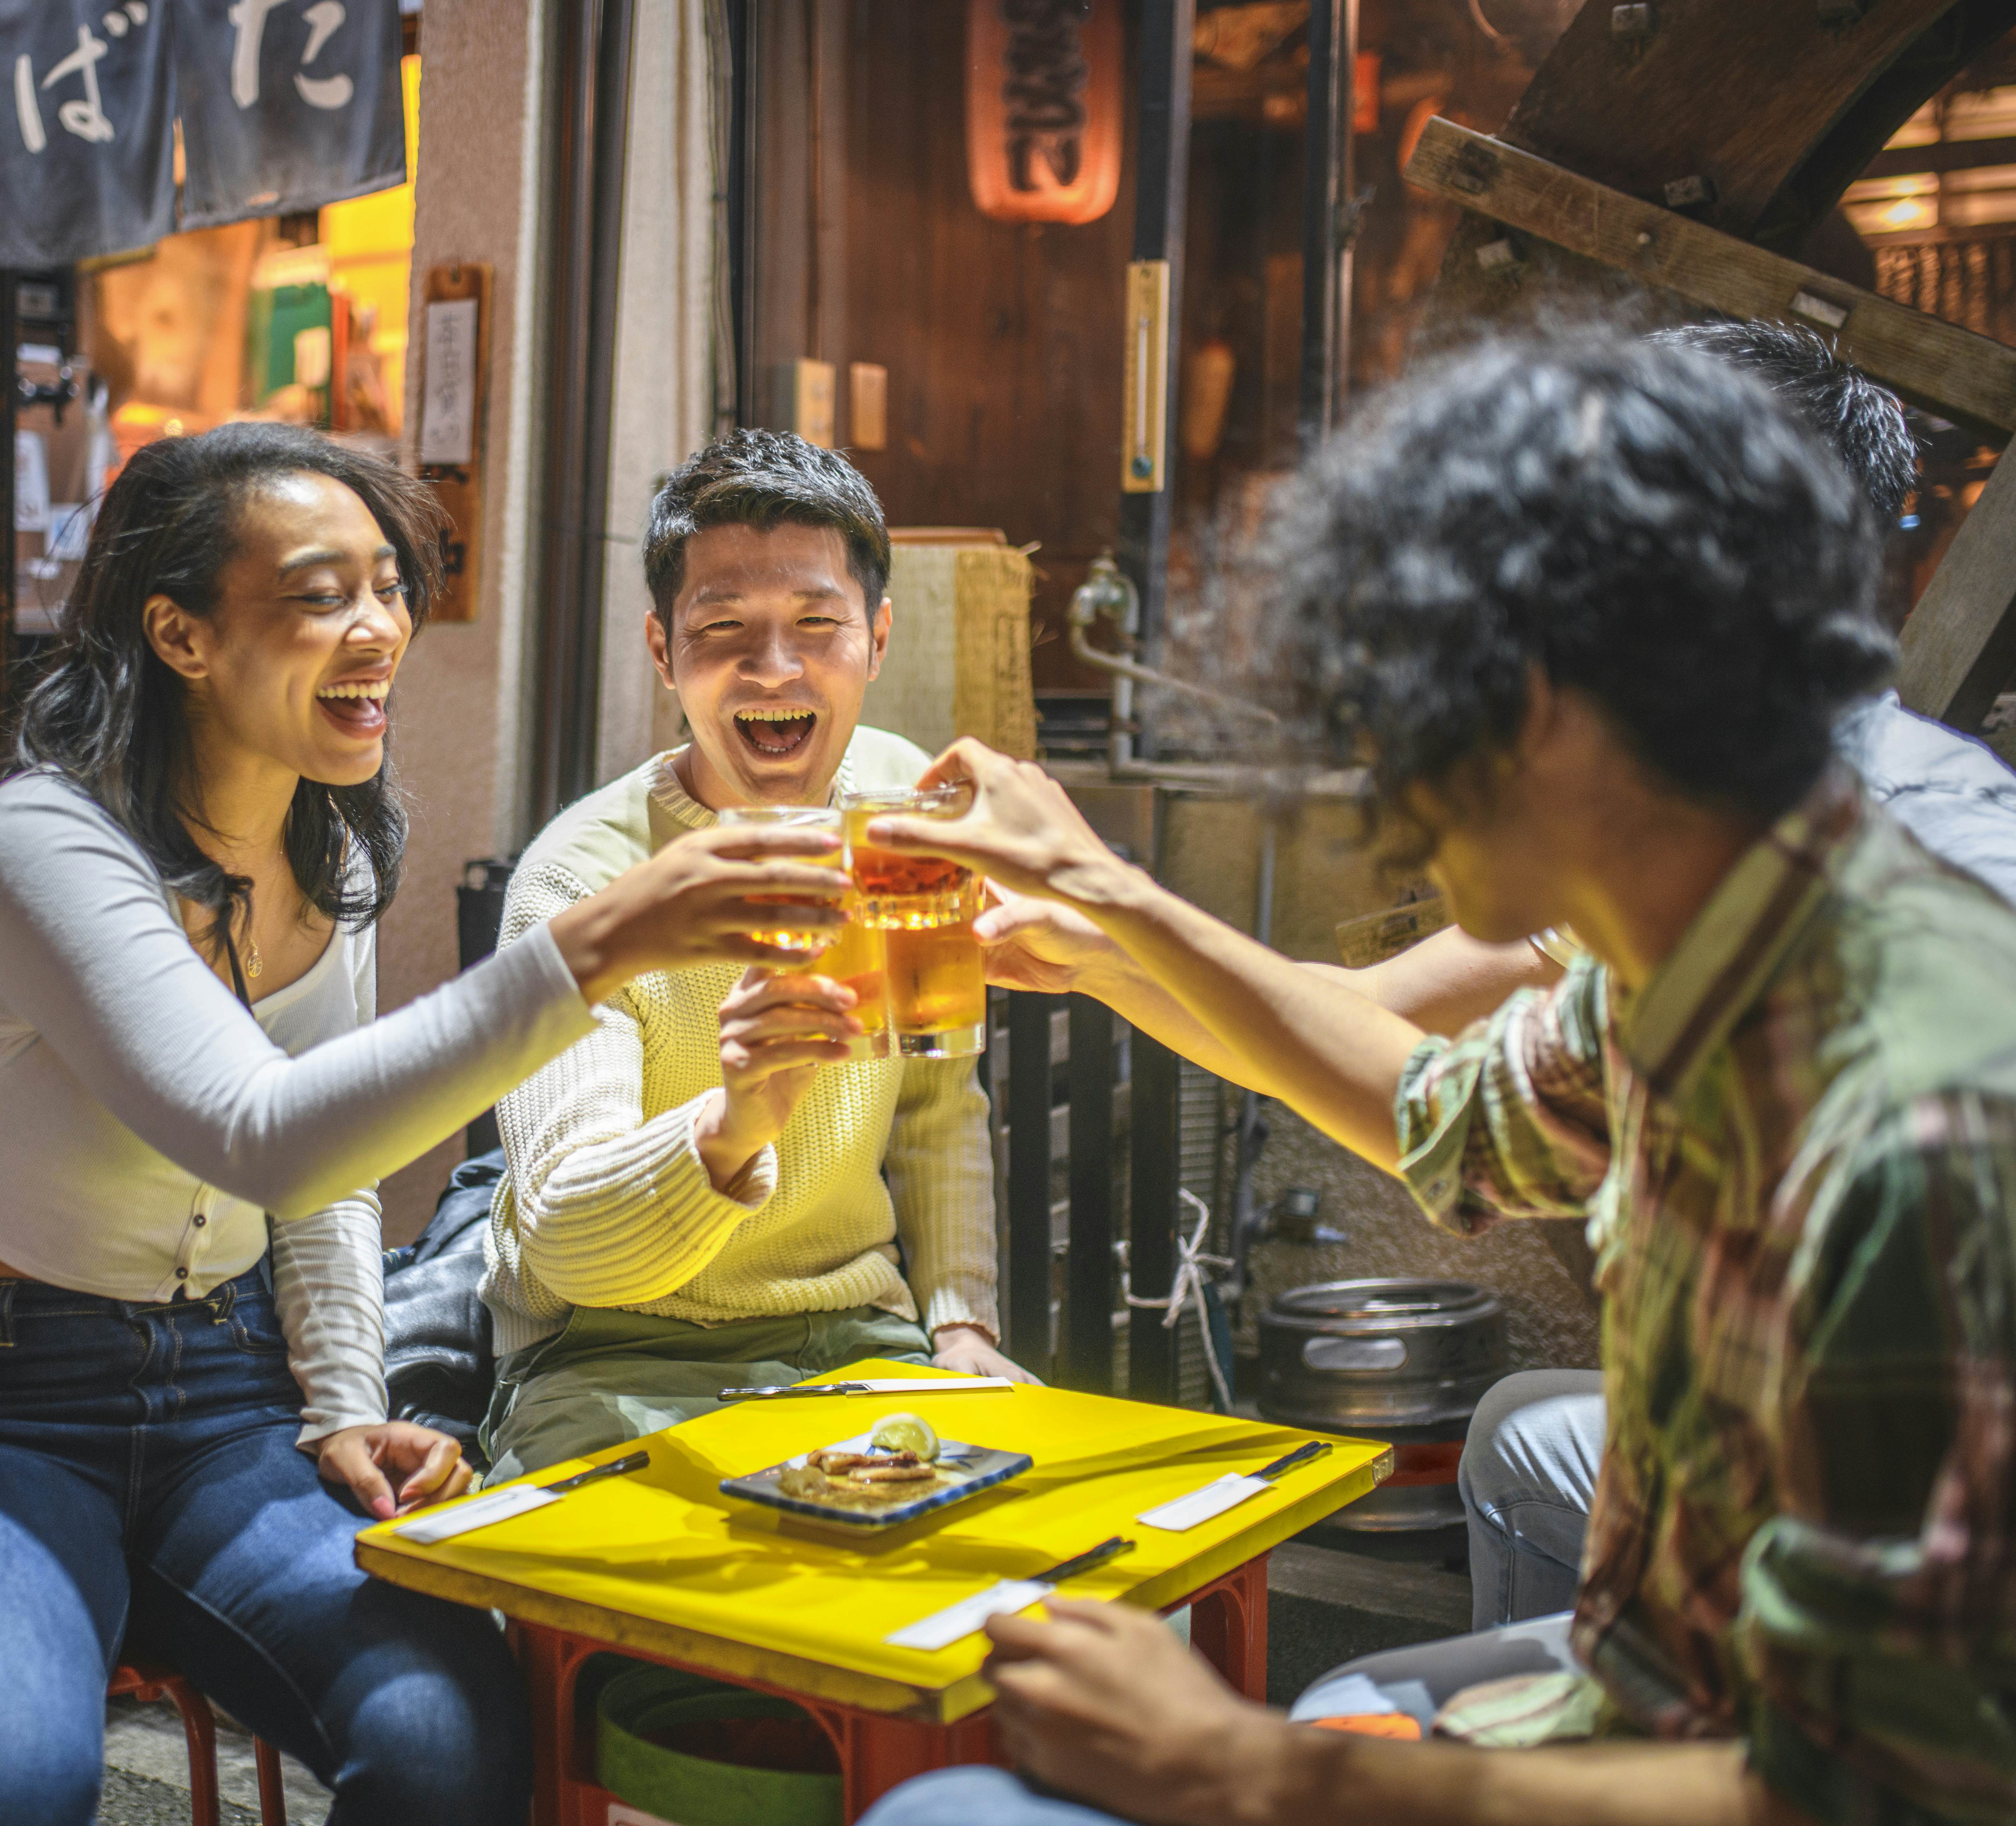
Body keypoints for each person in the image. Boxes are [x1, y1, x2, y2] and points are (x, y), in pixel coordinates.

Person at [860, 337, 2016, 1825]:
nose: (1381, 773)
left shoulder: (1919, 1119)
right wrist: (1109, 926)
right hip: (1654, 1681)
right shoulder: (1708, 915)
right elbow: (1441, 1116)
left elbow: (1870, 1792)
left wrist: (1243, 1767)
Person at [0, 423, 855, 1826]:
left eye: (390, 587)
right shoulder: (40, 843)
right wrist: (597, 944)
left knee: (453, 1736)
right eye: (320, 594)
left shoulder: (326, 854)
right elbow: (267, 1134)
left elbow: (326, 1185)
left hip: (229, 1404)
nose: (379, 630)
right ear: (178, 634)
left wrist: (346, 1403)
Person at [473, 430, 1025, 1483]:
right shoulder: (580, 881)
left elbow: (936, 1106)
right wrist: (735, 1123)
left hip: (859, 1341)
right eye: (723, 627)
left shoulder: (902, 812)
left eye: (819, 623)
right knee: (609, 1582)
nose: (775, 668)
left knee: (1040, 1551)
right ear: (662, 650)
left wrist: (962, 1327)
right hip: (609, 1353)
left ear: (877, 637)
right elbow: (564, 1243)